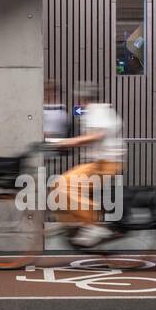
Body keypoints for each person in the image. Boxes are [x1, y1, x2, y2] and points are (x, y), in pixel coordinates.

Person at [47, 81, 124, 247]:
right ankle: (77, 222)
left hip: (105, 164)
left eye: (79, 99)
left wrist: (63, 142)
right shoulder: (98, 111)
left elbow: (95, 136)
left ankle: (93, 224)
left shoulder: (98, 111)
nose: (78, 102)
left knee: (64, 185)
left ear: (84, 98)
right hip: (99, 163)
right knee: (60, 184)